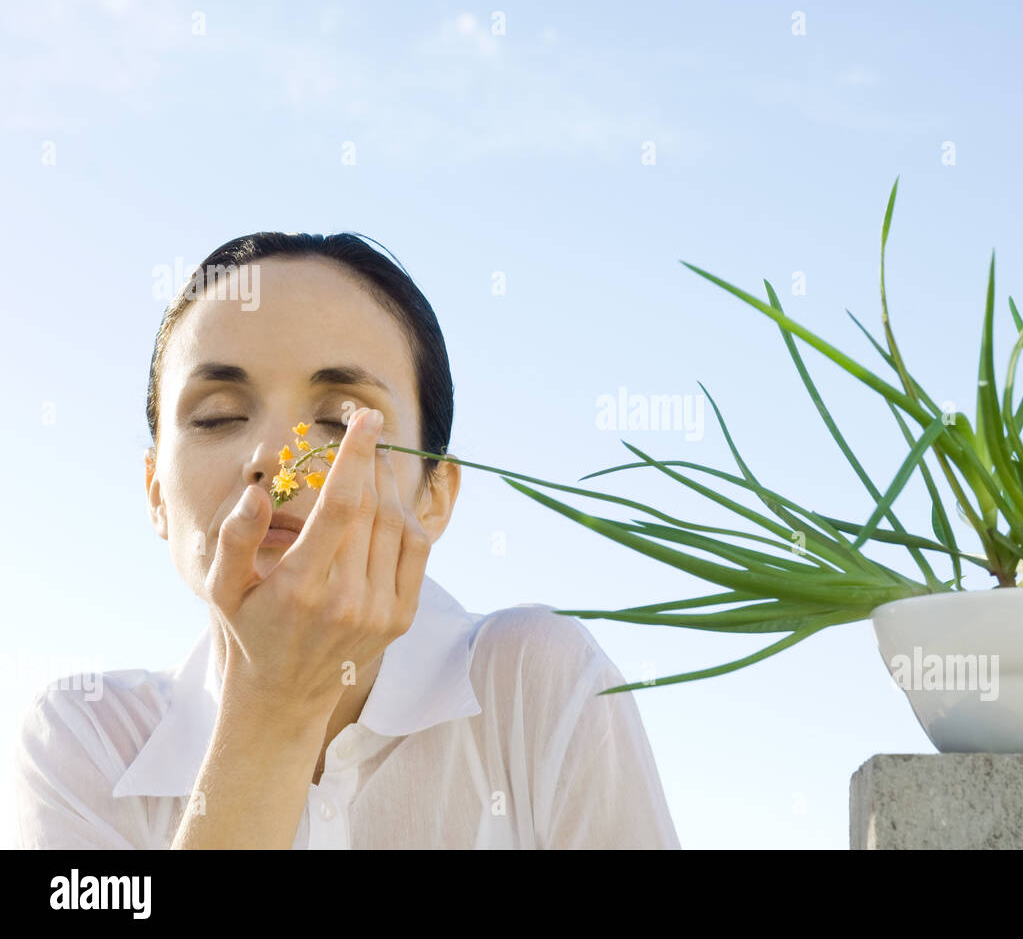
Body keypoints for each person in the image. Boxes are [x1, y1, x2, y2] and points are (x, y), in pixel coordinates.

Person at [13, 232, 680, 849]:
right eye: (218, 416)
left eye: (341, 419)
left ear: (435, 494)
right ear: (156, 491)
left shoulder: (540, 683)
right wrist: (273, 705)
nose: (272, 454)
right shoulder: (84, 740)